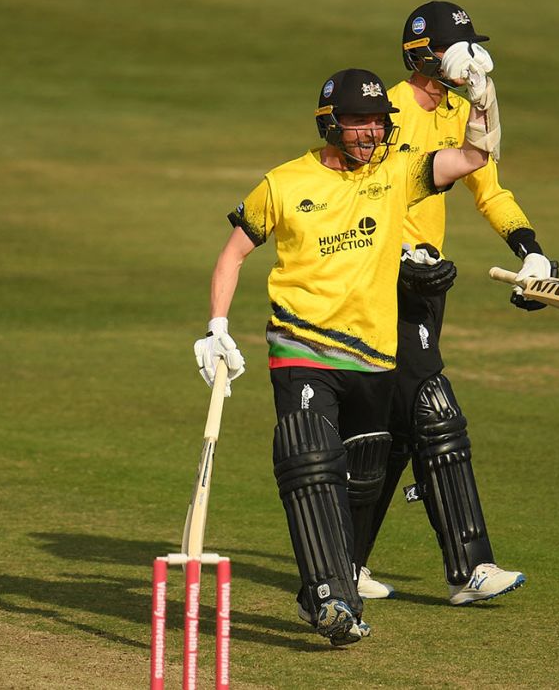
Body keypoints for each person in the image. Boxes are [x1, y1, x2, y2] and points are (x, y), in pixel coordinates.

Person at [193, 64, 499, 644]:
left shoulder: (397, 174)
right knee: (311, 464)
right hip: (301, 343)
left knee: (362, 476)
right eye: (359, 122)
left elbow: (473, 159)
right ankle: (331, 601)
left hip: (374, 355)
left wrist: (482, 102)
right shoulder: (283, 183)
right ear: (331, 122)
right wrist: (217, 327)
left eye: (378, 122)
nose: (371, 133)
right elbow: (233, 253)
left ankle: (329, 585)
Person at [355, 0, 556, 606]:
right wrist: (399, 256)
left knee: (391, 433)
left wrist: (531, 250)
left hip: (425, 285)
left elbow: (488, 187)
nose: (466, 63)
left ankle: (343, 561)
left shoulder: (459, 111)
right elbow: (367, 198)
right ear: (423, 54)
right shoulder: (388, 111)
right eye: (455, 50)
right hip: (382, 283)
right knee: (434, 411)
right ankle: (470, 567)